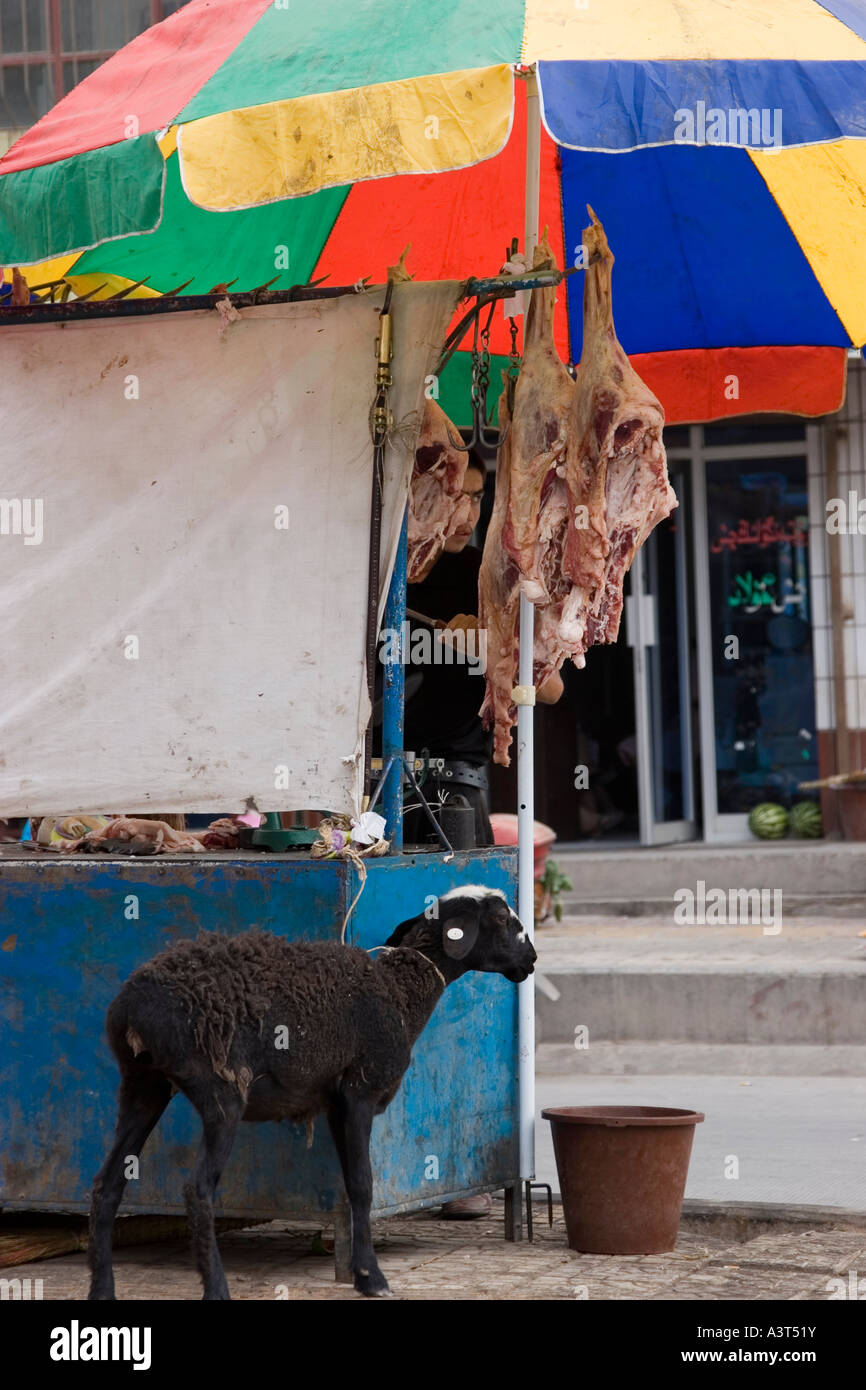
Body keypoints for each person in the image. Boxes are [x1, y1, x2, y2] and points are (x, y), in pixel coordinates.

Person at [402, 452, 563, 849]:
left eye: (476, 498)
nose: (468, 514)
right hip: (375, 786)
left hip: (456, 788)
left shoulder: (491, 578)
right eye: (456, 498)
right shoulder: (381, 576)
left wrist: (488, 648)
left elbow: (550, 688)